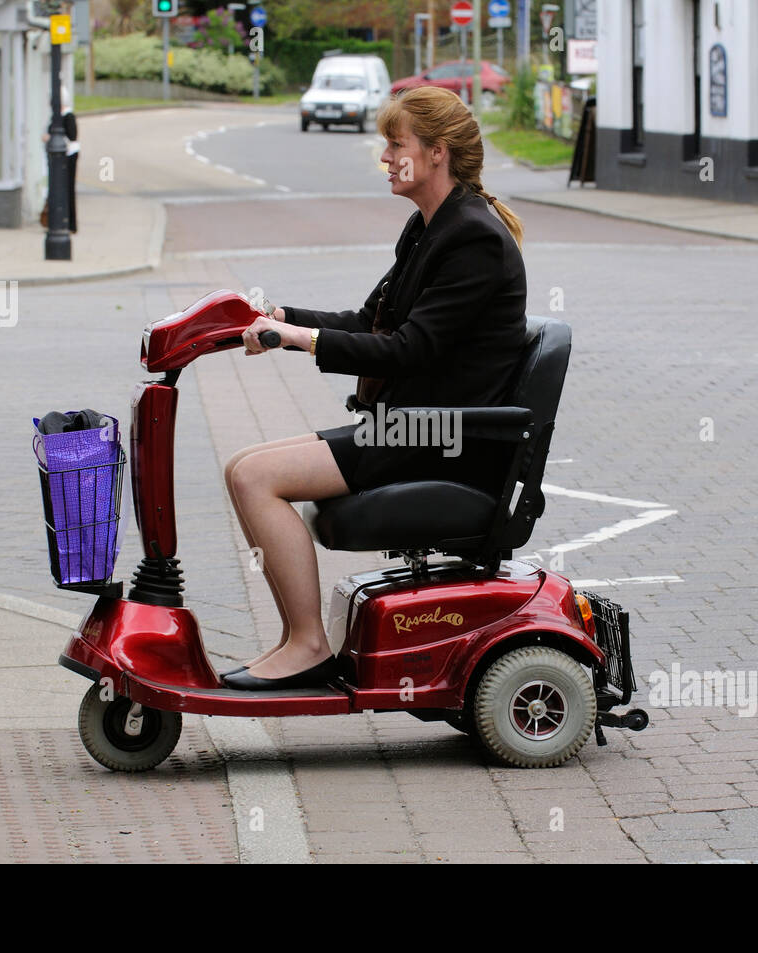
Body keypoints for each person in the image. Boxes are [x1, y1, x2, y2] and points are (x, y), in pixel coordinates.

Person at [219, 86, 528, 691]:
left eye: (396, 144)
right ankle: (295, 640)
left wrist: (294, 340)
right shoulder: (429, 227)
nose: (384, 157)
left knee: (255, 478)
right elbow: (370, 323)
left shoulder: (473, 238)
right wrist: (279, 316)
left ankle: (308, 645)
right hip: (410, 427)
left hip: (436, 436)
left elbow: (410, 349)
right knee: (242, 468)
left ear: (437, 153)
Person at [41, 88, 79, 232]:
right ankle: (58, 220)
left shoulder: (68, 116)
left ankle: (69, 223)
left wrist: (51, 139)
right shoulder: (57, 116)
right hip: (58, 159)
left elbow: (72, 137)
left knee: (67, 189)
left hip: (68, 157)